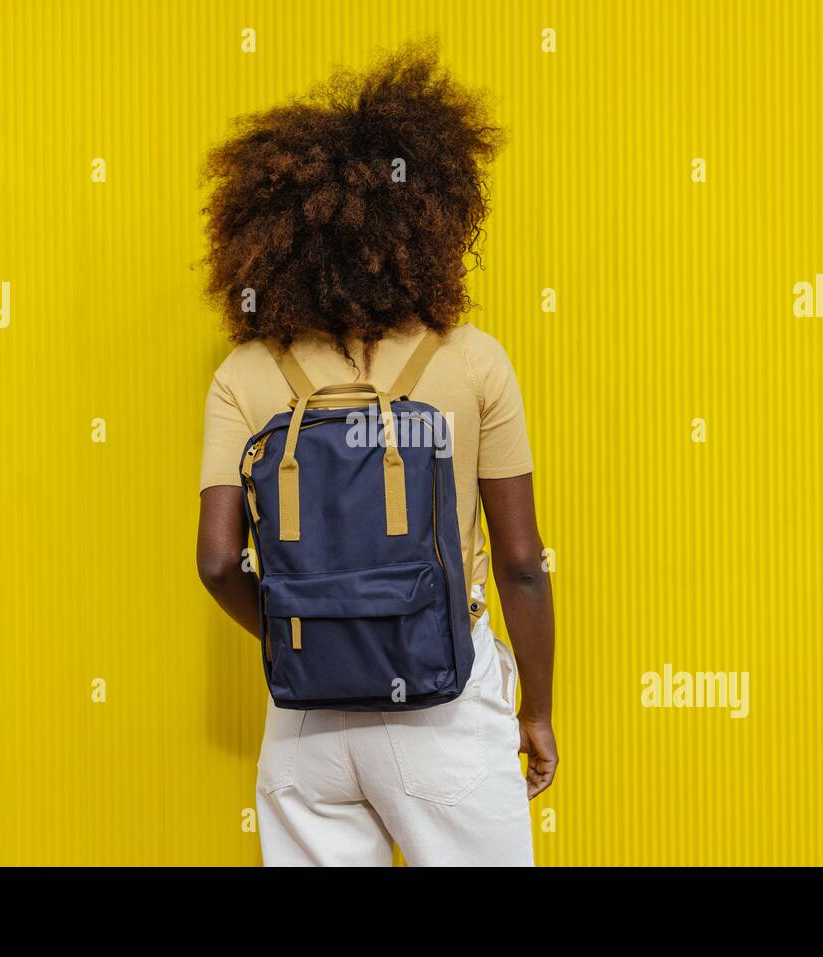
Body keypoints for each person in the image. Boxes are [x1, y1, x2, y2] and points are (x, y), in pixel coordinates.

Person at [195, 41, 556, 866]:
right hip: (445, 703)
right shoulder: (471, 360)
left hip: (305, 723)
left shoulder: (245, 374)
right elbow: (524, 561)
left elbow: (218, 562)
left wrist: (309, 634)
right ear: (432, 221)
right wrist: (534, 709)